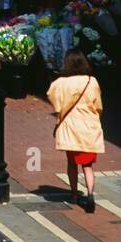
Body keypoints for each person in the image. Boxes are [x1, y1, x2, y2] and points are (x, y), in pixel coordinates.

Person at [47, 50, 105, 213]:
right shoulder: (91, 81)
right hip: (88, 127)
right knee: (87, 166)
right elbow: (98, 106)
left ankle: (73, 194)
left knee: (72, 163)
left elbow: (52, 96)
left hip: (71, 127)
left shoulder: (61, 83)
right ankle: (90, 194)